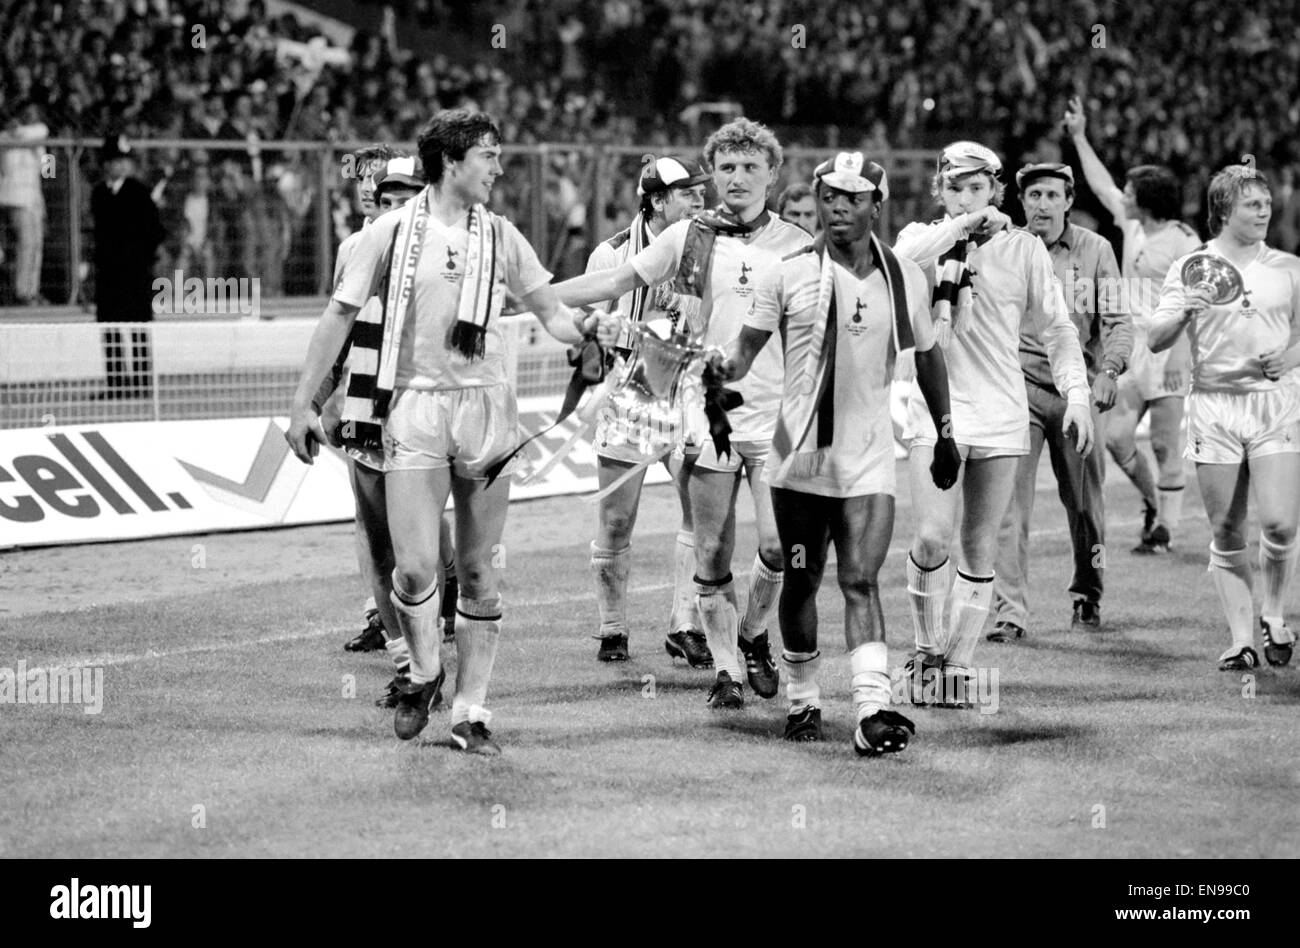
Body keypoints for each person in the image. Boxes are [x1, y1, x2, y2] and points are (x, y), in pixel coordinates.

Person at [287, 109, 616, 755]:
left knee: (478, 569)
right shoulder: (386, 234)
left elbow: (549, 310)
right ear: (451, 161)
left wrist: (588, 336)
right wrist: (301, 404)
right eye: (488, 155)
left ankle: (471, 710)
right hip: (413, 406)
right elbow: (338, 317)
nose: (498, 167)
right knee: (412, 569)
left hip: (487, 409)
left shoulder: (503, 235)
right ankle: (424, 670)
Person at [557, 118, 810, 709]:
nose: (737, 178)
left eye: (750, 168)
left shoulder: (798, 244)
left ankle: (752, 638)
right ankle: (726, 670)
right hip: (705, 416)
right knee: (712, 551)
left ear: (773, 174)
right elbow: (614, 280)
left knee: (776, 548)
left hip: (776, 422)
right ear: (714, 175)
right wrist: (535, 293)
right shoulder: (690, 236)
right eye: (726, 168)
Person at [718, 152, 960, 754]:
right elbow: (744, 352)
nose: (838, 209)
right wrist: (718, 376)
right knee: (800, 582)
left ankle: (873, 711)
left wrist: (947, 431)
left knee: (860, 580)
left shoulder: (903, 274)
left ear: (876, 205)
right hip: (797, 461)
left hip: (868, 460)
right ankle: (804, 701)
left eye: (852, 199)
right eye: (829, 197)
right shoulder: (787, 271)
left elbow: (928, 354)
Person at [895, 141, 1093, 707]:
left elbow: (1057, 330)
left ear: (996, 188)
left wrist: (1075, 395)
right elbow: (902, 258)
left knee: (979, 549)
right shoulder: (922, 240)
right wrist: (966, 223)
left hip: (1003, 415)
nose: (964, 196)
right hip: (939, 414)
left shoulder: (1024, 249)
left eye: (977, 187)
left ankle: (954, 668)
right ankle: (925, 650)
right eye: (954, 187)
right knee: (932, 536)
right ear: (941, 191)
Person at [316, 151, 459, 713]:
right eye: (389, 196)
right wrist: (318, 399)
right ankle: (409, 665)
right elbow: (339, 328)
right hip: (365, 408)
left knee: (422, 547)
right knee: (378, 544)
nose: (396, 206)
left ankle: (436, 652)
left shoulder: (454, 247)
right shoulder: (357, 249)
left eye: (409, 195)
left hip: (426, 409)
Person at [1148, 164, 1300, 671]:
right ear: (1223, 210)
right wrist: (1184, 313)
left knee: (1279, 521)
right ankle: (1241, 639)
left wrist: (1292, 358)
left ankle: (1274, 614)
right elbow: (1155, 337)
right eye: (1253, 204)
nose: (1265, 211)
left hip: (1273, 401)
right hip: (1213, 405)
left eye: (1266, 203)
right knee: (1226, 526)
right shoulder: (1191, 268)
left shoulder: (1288, 266)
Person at [990, 163, 1133, 641]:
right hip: (1018, 393)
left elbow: (1117, 319)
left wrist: (1110, 370)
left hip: (1079, 394)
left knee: (1086, 506)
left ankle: (1088, 593)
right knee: (1010, 507)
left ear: (1069, 201)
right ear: (1021, 201)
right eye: (1033, 195)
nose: (1042, 205)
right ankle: (1010, 612)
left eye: (1052, 195)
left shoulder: (1097, 250)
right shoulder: (1004, 249)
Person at [582, 155, 712, 666]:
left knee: (703, 512)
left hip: (688, 391)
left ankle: (684, 625)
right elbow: (589, 330)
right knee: (616, 520)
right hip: (632, 395)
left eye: (701, 191)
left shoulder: (708, 251)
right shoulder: (610, 255)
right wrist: (602, 339)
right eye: (687, 193)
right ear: (658, 201)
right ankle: (612, 628)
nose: (700, 200)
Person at [1065, 97, 1201, 553]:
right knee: (1118, 439)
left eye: (1129, 190)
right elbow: (1101, 184)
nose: (1121, 195)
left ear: (1146, 198)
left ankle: (1164, 531)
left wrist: (1188, 354)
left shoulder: (1184, 241)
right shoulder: (1135, 226)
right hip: (1129, 349)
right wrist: (1081, 137)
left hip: (1169, 352)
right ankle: (1153, 505)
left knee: (1164, 446)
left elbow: (1200, 303)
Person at [91, 134, 164, 399]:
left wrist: (142, 258)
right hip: (109, 272)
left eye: (124, 160)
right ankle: (116, 383)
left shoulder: (138, 191)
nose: (120, 166)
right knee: (109, 326)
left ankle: (142, 383)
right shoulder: (99, 193)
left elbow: (155, 231)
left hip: (135, 271)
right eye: (115, 160)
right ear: (106, 164)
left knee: (139, 326)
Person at [0, 103, 49, 305]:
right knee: (26, 243)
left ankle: (32, 290)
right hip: (16, 199)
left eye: (34, 115)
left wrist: (37, 149)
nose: (31, 118)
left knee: (37, 245)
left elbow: (48, 172)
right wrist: (19, 134)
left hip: (35, 199)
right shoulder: (4, 136)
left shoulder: (39, 139)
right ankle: (22, 291)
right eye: (27, 114)